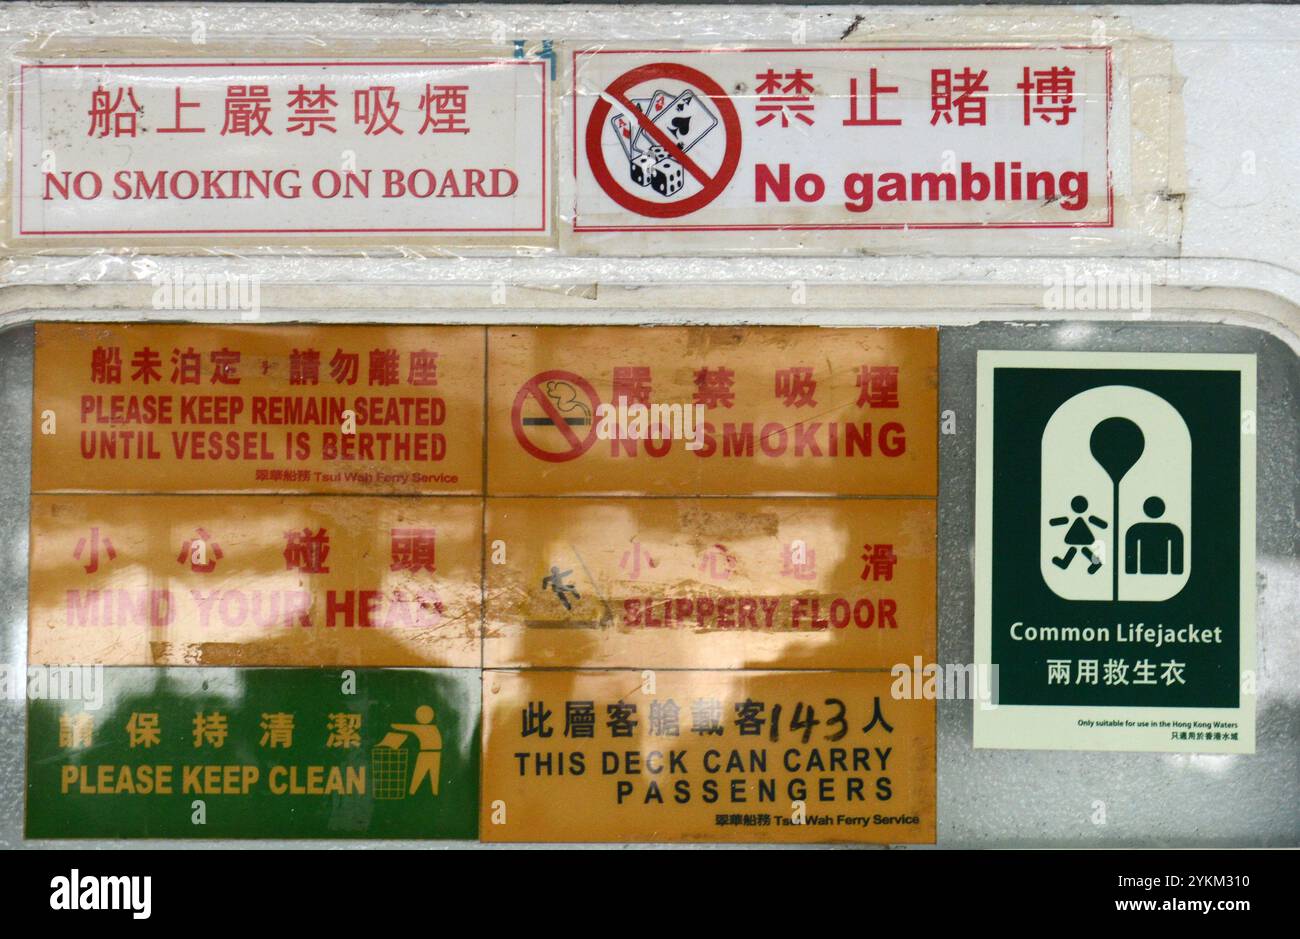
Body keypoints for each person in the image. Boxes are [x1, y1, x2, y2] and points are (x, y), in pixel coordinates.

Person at [1124, 496, 1184, 575]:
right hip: (1158, 571)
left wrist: (1132, 570)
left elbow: (1130, 563)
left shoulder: (1136, 528)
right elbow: (1177, 561)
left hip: (1148, 570)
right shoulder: (1172, 529)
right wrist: (1176, 570)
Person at [1049, 495, 1108, 575]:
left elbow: (1102, 524)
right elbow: (1102, 524)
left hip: (1082, 537)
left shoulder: (1088, 517)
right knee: (1079, 549)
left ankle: (1065, 563)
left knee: (1080, 549)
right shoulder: (1085, 517)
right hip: (1079, 537)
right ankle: (1065, 563)